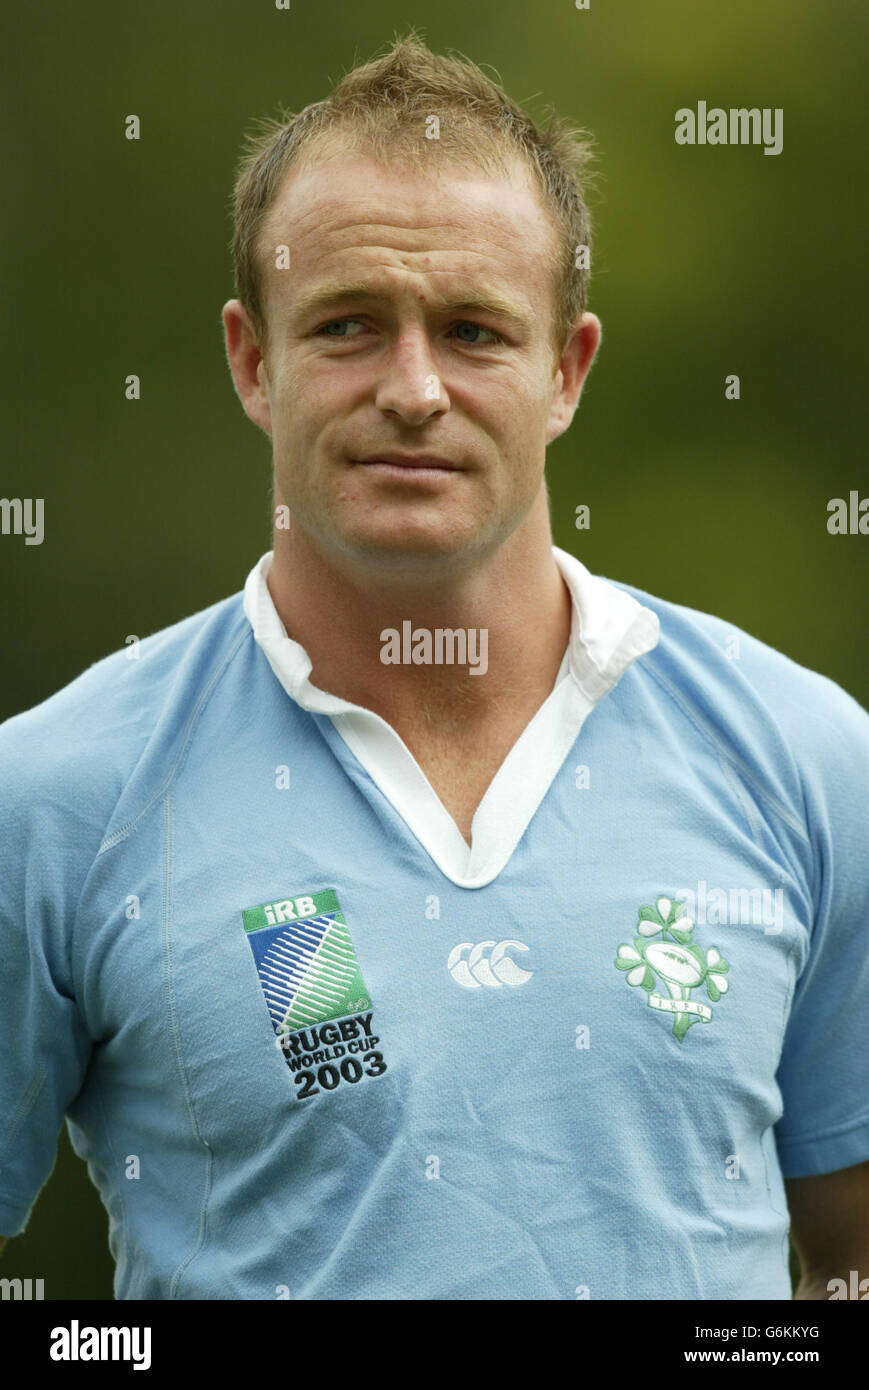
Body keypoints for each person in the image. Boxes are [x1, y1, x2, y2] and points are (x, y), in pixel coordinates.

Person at [0, 35, 867, 1302]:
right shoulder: (55, 796)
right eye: (348, 325)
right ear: (253, 358)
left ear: (564, 370)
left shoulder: (809, 759)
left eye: (472, 331)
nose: (413, 391)